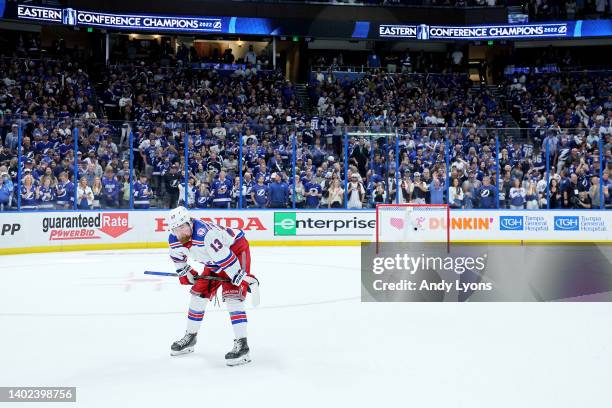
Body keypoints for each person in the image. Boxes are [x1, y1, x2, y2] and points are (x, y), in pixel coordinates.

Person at [166, 206, 259, 366]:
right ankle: (190, 337)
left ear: (190, 223)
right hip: (214, 259)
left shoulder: (205, 235)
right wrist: (187, 273)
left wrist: (240, 278)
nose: (180, 233)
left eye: (182, 227)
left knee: (233, 297)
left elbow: (226, 258)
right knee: (197, 295)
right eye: (175, 229)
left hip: (234, 250)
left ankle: (243, 346)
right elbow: (178, 259)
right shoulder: (175, 239)